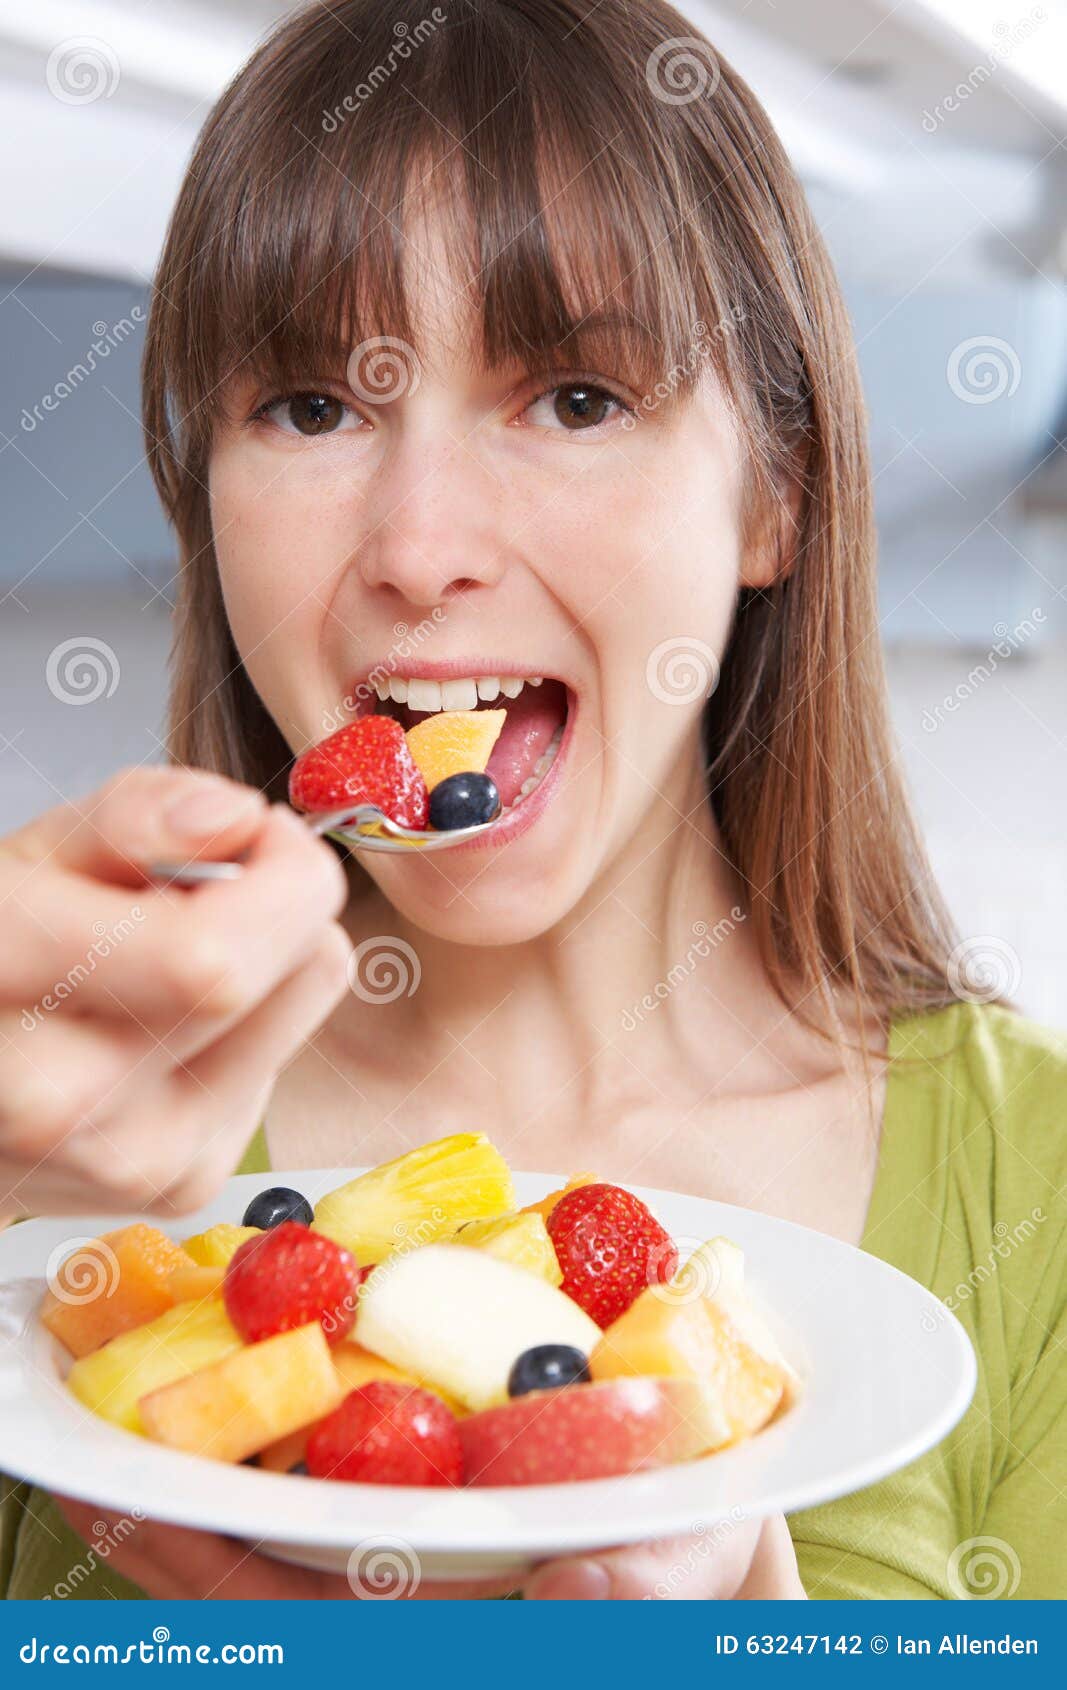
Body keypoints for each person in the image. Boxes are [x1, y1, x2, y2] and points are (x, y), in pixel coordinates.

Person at [2, 0, 1063, 1602]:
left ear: (775, 486)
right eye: (313, 406)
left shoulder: (1036, 1181)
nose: (419, 546)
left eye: (573, 397)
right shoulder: (74, 1158)